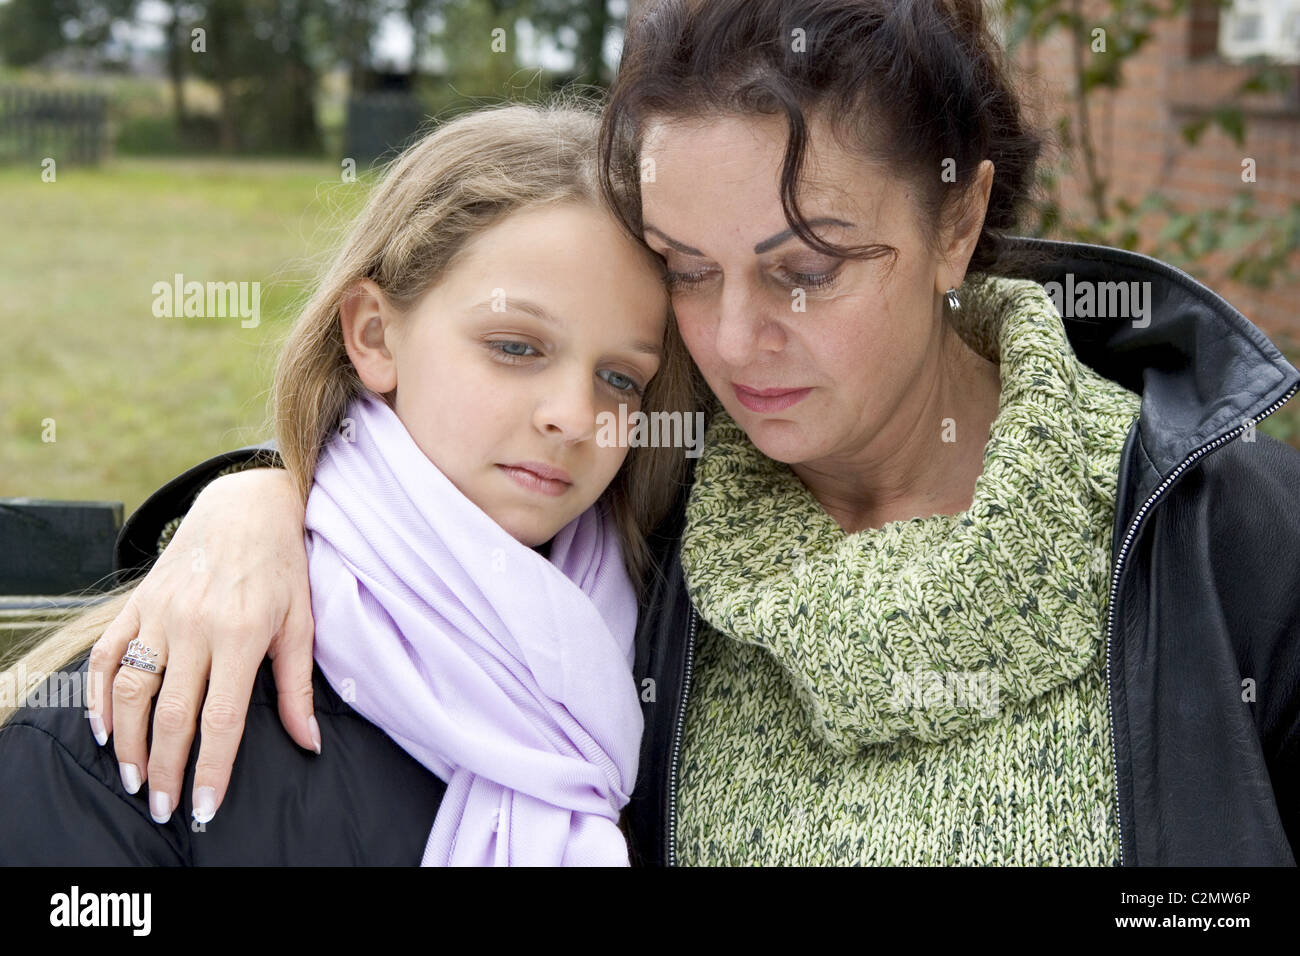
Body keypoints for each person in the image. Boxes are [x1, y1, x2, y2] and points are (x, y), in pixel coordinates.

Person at [73, 0, 1300, 865]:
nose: (732, 340)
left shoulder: (1221, 537)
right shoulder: (652, 493)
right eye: (686, 271)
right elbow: (423, 507)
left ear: (958, 219)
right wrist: (249, 501)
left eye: (806, 269)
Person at [0, 98, 704, 865]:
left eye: (620, 377)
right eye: (515, 347)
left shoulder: (674, 640)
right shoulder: (143, 713)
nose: (574, 416)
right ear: (373, 334)